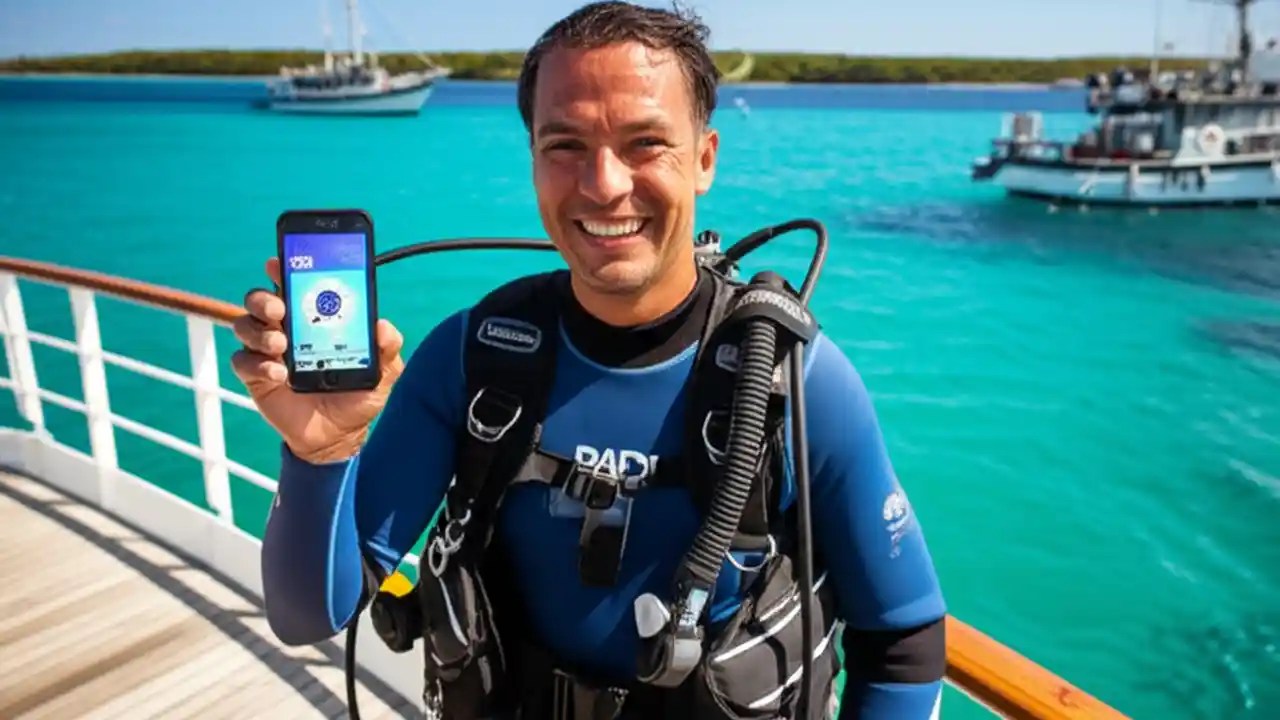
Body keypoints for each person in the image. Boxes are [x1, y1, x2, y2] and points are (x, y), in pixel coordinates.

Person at [231, 2, 946, 718]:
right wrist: (320, 452)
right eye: (565, 145)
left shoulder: (797, 381)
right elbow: (307, 616)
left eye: (644, 143)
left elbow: (903, 642)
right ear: (534, 161)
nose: (603, 184)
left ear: (704, 159)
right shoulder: (473, 357)